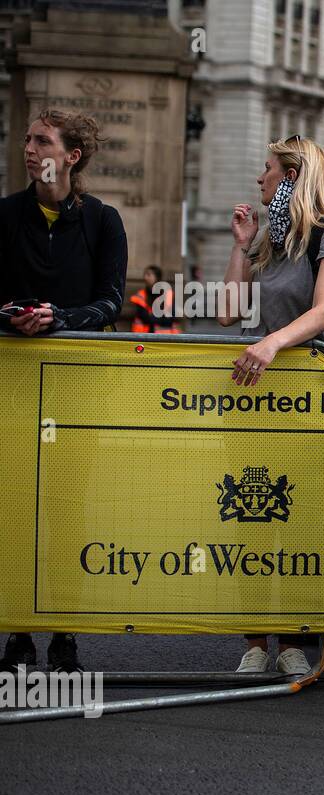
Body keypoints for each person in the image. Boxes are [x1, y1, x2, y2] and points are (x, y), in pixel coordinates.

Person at [220, 134, 324, 675]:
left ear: (292, 176)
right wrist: (241, 244)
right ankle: (257, 640)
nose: (259, 178)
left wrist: (275, 340)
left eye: (268, 168)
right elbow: (230, 314)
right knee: (250, 512)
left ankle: (296, 639)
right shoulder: (270, 241)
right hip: (257, 395)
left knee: (303, 517)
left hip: (309, 396)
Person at [0, 108, 128, 674]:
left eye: (42, 140)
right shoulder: (4, 215)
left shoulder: (103, 221)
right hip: (14, 383)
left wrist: (60, 318)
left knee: (68, 510)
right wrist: (15, 315)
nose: (29, 148)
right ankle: (18, 631)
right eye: (27, 138)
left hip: (77, 386)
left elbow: (111, 302)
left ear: (72, 155)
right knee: (14, 507)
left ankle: (66, 629)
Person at [129, 264, 177, 333]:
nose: (145, 277)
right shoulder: (141, 295)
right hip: (143, 336)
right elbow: (145, 318)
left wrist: (153, 317)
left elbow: (168, 320)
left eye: (149, 275)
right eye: (145, 274)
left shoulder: (168, 295)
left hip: (164, 337)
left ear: (157, 277)